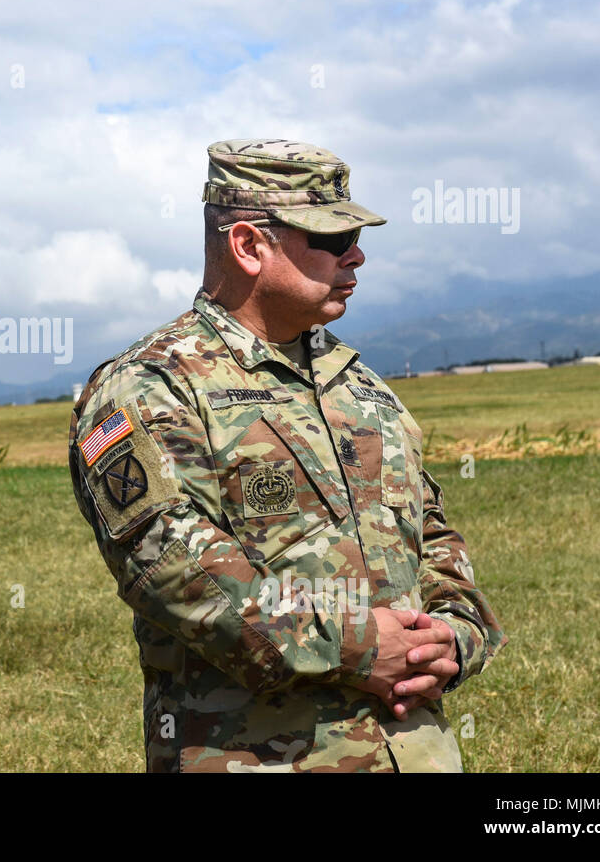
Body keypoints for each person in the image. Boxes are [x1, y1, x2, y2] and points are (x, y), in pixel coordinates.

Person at [67, 138, 507, 772]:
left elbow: (430, 532)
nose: (356, 256)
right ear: (249, 246)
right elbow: (171, 571)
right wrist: (359, 647)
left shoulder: (358, 385)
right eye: (332, 239)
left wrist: (455, 637)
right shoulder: (151, 387)